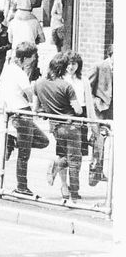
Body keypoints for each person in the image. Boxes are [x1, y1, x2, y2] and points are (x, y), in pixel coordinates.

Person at [34, 52, 84, 202]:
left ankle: (57, 165)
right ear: (62, 69)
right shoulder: (66, 86)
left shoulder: (38, 83)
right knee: (75, 159)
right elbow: (78, 110)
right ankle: (74, 192)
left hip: (55, 126)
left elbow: (35, 108)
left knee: (64, 155)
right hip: (71, 126)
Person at [0, 42, 48, 197]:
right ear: (25, 58)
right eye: (32, 57)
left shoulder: (8, 69)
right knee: (25, 153)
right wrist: (34, 105)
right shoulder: (19, 73)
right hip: (23, 113)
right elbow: (29, 93)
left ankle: (13, 141)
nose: (33, 60)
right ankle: (22, 186)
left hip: (13, 112)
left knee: (41, 141)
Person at [88, 45, 113, 187]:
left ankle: (100, 171)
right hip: (102, 109)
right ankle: (94, 171)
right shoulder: (99, 66)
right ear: (111, 55)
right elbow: (88, 87)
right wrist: (95, 103)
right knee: (99, 140)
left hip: (115, 109)